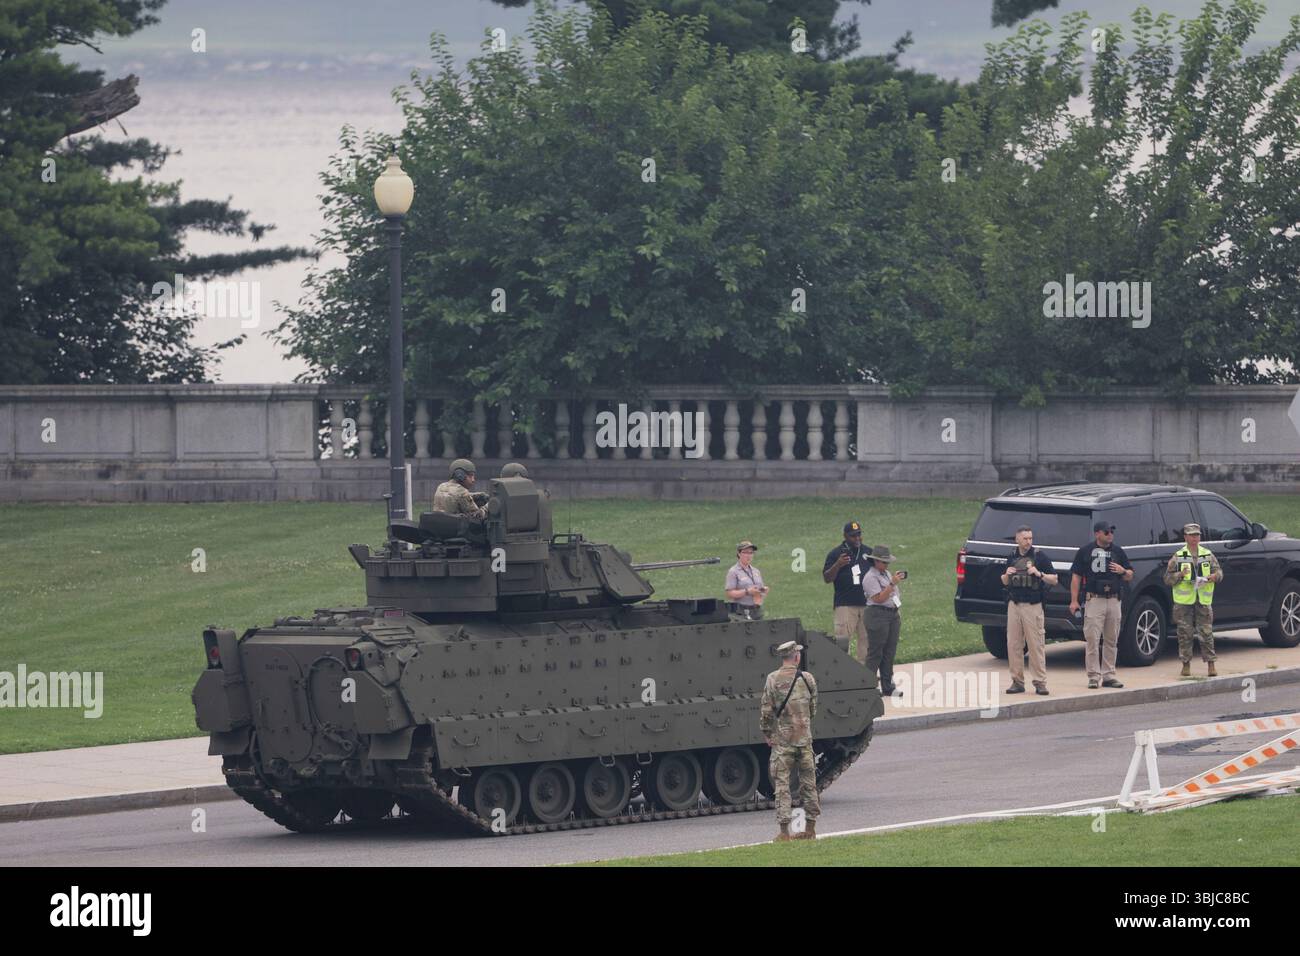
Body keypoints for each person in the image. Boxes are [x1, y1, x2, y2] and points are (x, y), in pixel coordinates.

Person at [759, 640, 819, 842]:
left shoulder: (772, 679)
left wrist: (767, 733)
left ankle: (784, 831)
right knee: (809, 784)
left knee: (782, 786)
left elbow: (767, 711)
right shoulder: (807, 678)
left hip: (783, 741)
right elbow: (813, 709)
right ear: (796, 656)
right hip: (804, 739)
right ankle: (810, 829)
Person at [1070, 520, 1135, 689]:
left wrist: (1123, 571)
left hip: (1113, 599)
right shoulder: (1085, 551)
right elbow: (1076, 577)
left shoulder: (1118, 552)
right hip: (1094, 599)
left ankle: (1109, 675)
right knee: (1092, 638)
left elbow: (1130, 575)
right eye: (1106, 532)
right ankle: (1093, 675)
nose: (1110, 535)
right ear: (1097, 533)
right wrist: (1074, 600)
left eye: (1112, 532)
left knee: (1111, 639)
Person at [1000, 525, 1058, 695]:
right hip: (1014, 605)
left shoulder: (1039, 556)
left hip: (1033, 606)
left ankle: (1040, 683)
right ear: (1017, 539)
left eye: (1030, 538)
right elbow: (1004, 581)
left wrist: (1039, 574)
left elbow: (1054, 579)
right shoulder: (1011, 556)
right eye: (1025, 538)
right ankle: (1017, 681)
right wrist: (1006, 574)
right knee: (1014, 644)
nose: (1028, 541)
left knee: (1036, 645)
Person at [1163, 522, 1224, 677]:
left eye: (1197, 535)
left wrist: (1214, 576)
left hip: (1202, 600)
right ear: (1185, 537)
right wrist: (1180, 575)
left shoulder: (1207, 554)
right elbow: (1167, 579)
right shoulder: (1179, 556)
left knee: (1206, 633)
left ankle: (1211, 664)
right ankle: (1186, 664)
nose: (1194, 538)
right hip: (1184, 602)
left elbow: (1219, 572)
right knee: (1185, 634)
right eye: (1191, 535)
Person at [823, 521, 873, 664]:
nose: (857, 538)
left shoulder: (868, 552)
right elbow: (827, 578)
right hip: (845, 605)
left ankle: (865, 674)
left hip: (866, 604)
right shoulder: (835, 554)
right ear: (845, 536)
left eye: (859, 535)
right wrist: (838, 564)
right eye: (853, 536)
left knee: (866, 641)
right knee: (842, 641)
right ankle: (844, 674)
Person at [861, 546, 904, 696]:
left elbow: (892, 596)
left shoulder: (885, 573)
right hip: (877, 615)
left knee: (889, 651)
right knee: (876, 652)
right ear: (876, 561)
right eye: (884, 562)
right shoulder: (870, 577)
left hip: (892, 615)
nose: (887, 565)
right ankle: (869, 686)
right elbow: (879, 598)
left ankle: (888, 685)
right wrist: (892, 584)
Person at [725, 540, 768, 620]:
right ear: (739, 553)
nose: (749, 556)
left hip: (757, 610)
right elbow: (729, 593)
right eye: (746, 552)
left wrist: (762, 591)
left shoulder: (756, 571)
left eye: (751, 553)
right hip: (741, 611)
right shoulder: (733, 571)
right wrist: (747, 592)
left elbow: (759, 591)